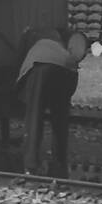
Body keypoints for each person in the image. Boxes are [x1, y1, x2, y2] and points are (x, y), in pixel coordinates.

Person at [16, 28, 88, 178]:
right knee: (60, 121)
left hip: (42, 70)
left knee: (34, 118)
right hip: (69, 70)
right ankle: (59, 166)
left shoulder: (34, 49)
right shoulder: (58, 45)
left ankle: (31, 166)